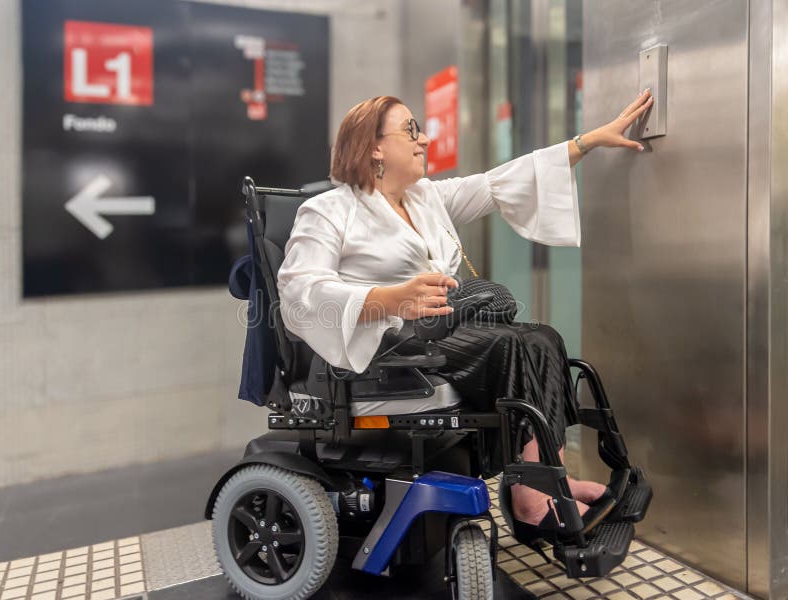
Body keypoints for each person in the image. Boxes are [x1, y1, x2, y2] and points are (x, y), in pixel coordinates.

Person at [277, 92, 653, 532]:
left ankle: (553, 480)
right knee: (511, 344)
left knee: (543, 338)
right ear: (374, 145)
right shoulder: (328, 211)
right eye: (411, 130)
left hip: (439, 331)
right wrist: (392, 298)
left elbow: (501, 182)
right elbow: (298, 290)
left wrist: (586, 141)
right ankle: (532, 504)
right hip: (384, 347)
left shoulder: (423, 199)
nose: (425, 140)